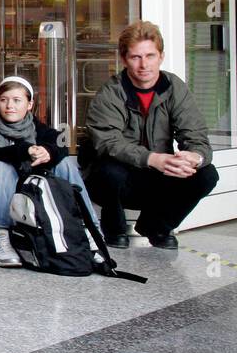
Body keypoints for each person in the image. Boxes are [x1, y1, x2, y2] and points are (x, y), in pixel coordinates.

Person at [82, 20, 218, 249]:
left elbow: (196, 135)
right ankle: (114, 228)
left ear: (161, 56)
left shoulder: (175, 87)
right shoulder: (111, 91)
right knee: (108, 170)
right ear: (124, 59)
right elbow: (108, 142)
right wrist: (152, 159)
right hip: (118, 177)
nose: (143, 64)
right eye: (136, 57)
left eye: (150, 56)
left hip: (157, 175)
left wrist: (194, 157)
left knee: (207, 174)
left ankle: (156, 226)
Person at [0, 76, 100, 268]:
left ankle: (89, 230)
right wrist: (25, 149)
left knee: (64, 163)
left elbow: (60, 145)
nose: (9, 106)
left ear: (29, 104)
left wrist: (48, 152)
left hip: (36, 209)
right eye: (4, 100)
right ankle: (1, 237)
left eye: (17, 100)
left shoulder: (38, 129)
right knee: (0, 166)